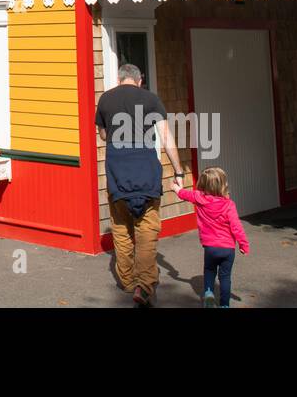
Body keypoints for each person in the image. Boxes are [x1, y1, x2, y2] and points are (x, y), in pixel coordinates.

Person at [96, 62, 187, 307]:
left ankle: (126, 281)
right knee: (146, 232)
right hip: (146, 175)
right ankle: (144, 286)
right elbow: (166, 137)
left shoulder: (105, 100)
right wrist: (178, 172)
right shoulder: (151, 99)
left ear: (119, 79)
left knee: (122, 230)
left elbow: (103, 135)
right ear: (139, 80)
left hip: (117, 176)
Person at [172, 167, 249, 308]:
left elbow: (182, 194)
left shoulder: (199, 198)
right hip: (227, 249)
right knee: (225, 277)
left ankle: (208, 293)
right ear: (223, 185)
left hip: (210, 248)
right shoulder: (229, 205)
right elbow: (236, 227)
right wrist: (243, 245)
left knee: (209, 270)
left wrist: (175, 186)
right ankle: (224, 305)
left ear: (203, 184)